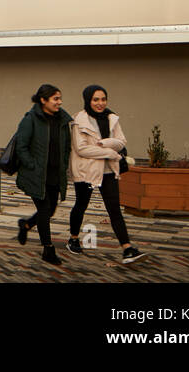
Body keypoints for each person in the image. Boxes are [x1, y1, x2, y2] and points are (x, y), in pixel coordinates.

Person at [68, 84, 145, 263]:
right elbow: (81, 149)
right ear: (88, 100)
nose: (100, 103)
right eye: (96, 99)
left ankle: (127, 249)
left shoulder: (112, 118)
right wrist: (109, 152)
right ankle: (73, 238)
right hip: (86, 171)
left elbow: (121, 141)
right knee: (81, 204)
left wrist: (105, 143)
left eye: (103, 99)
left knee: (114, 209)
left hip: (108, 170)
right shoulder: (79, 120)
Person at [14, 83, 73, 266]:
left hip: (55, 174)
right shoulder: (30, 119)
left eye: (59, 98)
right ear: (43, 100)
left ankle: (26, 225)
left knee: (50, 210)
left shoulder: (62, 120)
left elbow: (66, 146)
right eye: (55, 99)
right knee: (45, 210)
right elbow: (21, 146)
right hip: (36, 175)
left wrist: (63, 164)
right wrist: (32, 164)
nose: (59, 102)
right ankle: (48, 249)